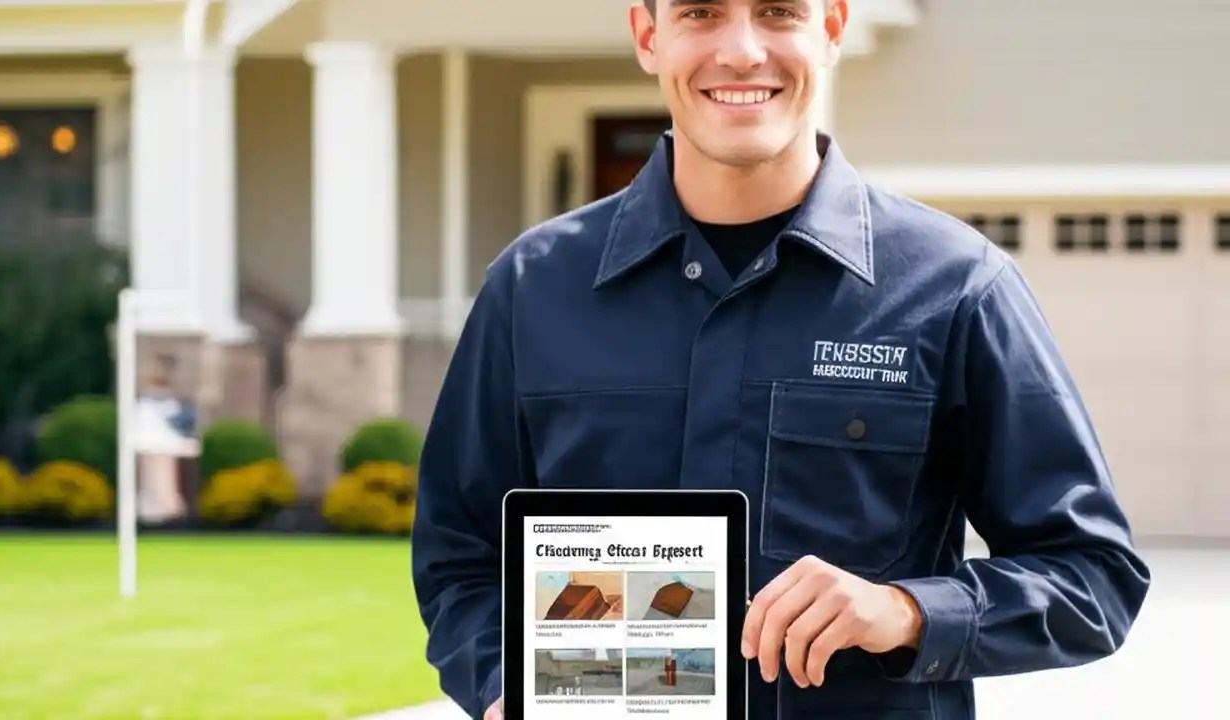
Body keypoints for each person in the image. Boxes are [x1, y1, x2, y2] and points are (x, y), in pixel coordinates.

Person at [411, 1, 1151, 718]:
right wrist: (507, 691)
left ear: (831, 27)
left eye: (777, 11)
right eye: (700, 12)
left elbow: (1094, 576)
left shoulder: (957, 287)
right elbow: (459, 558)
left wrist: (904, 611)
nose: (741, 50)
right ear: (647, 36)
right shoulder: (533, 287)